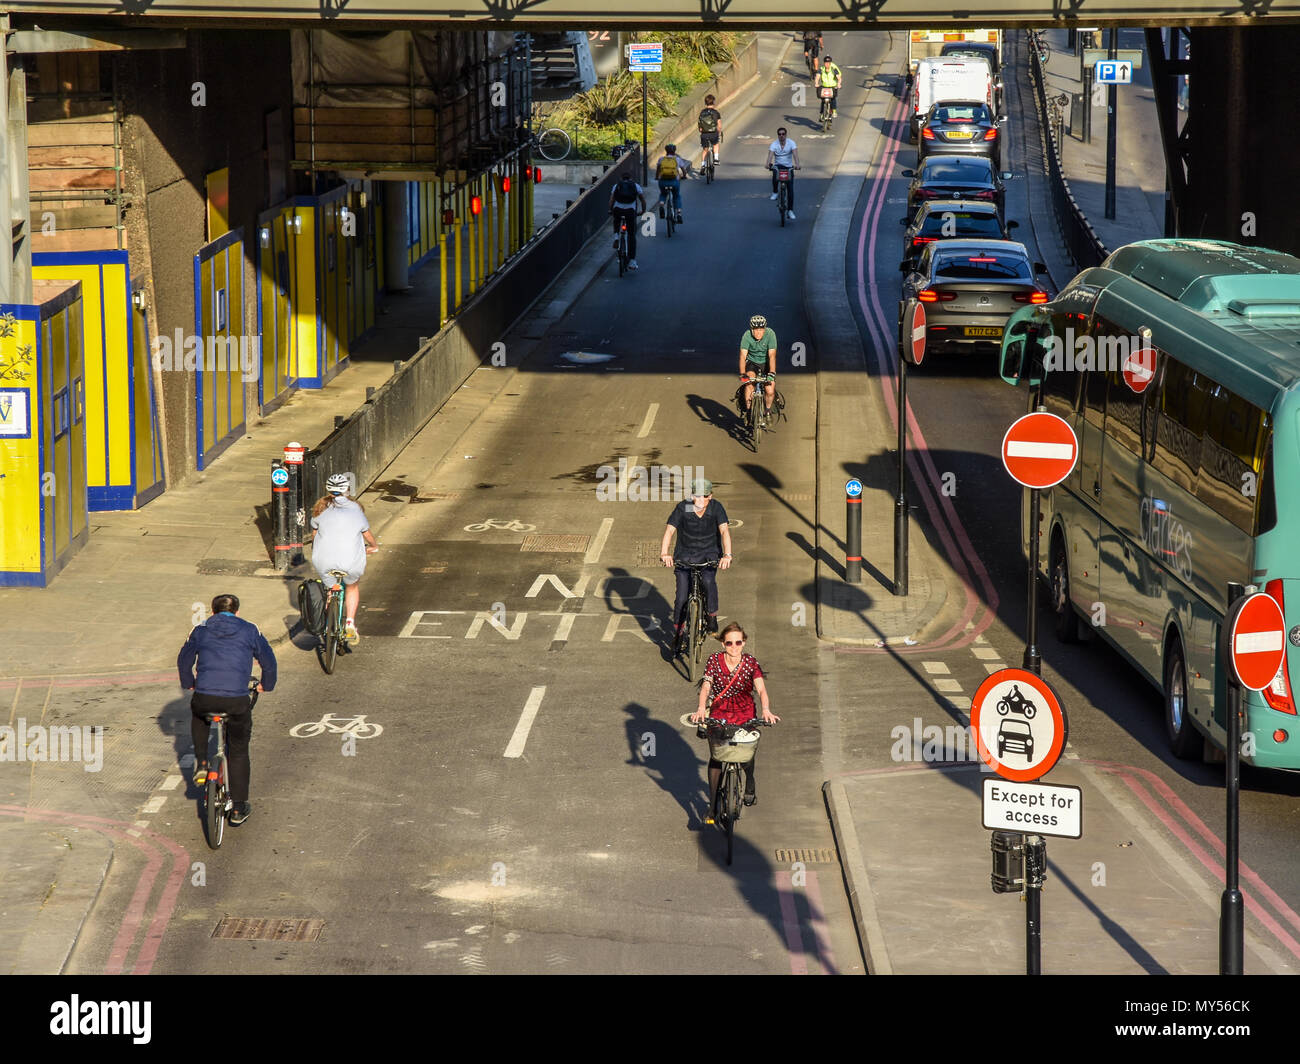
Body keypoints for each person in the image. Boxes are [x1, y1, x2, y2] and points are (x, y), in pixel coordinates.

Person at [178, 593, 278, 826]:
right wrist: (267, 684)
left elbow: (184, 660)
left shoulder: (200, 628)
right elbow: (269, 661)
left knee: (199, 713)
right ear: (238, 612)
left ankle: (202, 763)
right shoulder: (250, 629)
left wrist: (189, 682)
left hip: (205, 697)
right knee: (239, 750)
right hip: (236, 700)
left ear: (212, 612)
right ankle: (239, 807)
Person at [691, 623, 778, 819]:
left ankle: (750, 781)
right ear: (723, 644)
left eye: (738, 642)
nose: (734, 647)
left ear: (744, 642)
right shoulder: (714, 660)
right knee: (717, 755)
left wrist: (766, 710)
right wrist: (700, 708)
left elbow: (761, 689)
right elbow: (706, 687)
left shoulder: (750, 663)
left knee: (745, 749)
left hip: (744, 711)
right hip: (720, 711)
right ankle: (712, 807)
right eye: (729, 643)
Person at [660, 478, 732, 649]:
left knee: (708, 582)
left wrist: (727, 555)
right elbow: (670, 530)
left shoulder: (716, 507)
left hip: (709, 554)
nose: (700, 500)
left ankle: (712, 617)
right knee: (681, 597)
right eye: (696, 496)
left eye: (705, 496)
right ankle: (678, 633)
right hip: (685, 556)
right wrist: (665, 553)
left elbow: (724, 531)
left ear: (711, 496)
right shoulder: (683, 507)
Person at [309, 472, 379, 645]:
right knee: (352, 586)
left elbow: (314, 535)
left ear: (328, 489)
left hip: (323, 560)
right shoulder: (355, 508)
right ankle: (349, 623)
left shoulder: (320, 508)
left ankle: (328, 623)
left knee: (331, 588)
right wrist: (373, 546)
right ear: (347, 489)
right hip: (349, 561)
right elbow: (366, 533)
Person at [738, 314, 778, 423]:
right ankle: (749, 411)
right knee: (749, 383)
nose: (758, 333)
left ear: (765, 329)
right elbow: (742, 356)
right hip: (752, 363)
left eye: (761, 330)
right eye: (755, 330)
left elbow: (772, 356)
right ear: (751, 329)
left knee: (770, 390)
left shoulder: (771, 334)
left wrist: (772, 372)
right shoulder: (746, 336)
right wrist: (742, 373)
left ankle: (768, 410)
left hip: (766, 363)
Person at [608, 169, 647, 271]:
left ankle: (616, 237)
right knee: (631, 235)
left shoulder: (617, 186)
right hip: (630, 211)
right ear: (630, 178)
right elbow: (642, 200)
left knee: (616, 220)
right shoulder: (636, 186)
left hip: (618, 210)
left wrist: (610, 209)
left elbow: (612, 200)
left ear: (621, 178)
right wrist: (643, 211)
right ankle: (632, 261)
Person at [765, 127, 801, 221]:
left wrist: (797, 165)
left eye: (783, 134)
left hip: (789, 167)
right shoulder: (774, 144)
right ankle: (775, 192)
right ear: (778, 135)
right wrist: (767, 164)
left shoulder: (791, 143)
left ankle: (790, 211)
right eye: (780, 134)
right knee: (774, 173)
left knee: (790, 190)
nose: (781, 136)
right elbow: (770, 155)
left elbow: (795, 155)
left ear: (786, 134)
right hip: (778, 165)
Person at [653, 143, 691, 224]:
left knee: (663, 194)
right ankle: (679, 214)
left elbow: (658, 170)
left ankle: (662, 204)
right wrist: (684, 176)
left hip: (663, 181)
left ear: (666, 150)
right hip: (674, 181)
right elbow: (683, 170)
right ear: (674, 151)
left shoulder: (661, 159)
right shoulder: (677, 159)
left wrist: (657, 177)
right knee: (677, 196)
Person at [697, 95, 723, 165]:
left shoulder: (702, 113)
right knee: (715, 144)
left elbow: (700, 127)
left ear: (705, 103)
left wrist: (702, 131)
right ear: (713, 102)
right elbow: (719, 126)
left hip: (704, 134)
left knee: (705, 150)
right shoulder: (716, 113)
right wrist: (719, 132)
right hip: (713, 133)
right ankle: (716, 159)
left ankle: (703, 165)